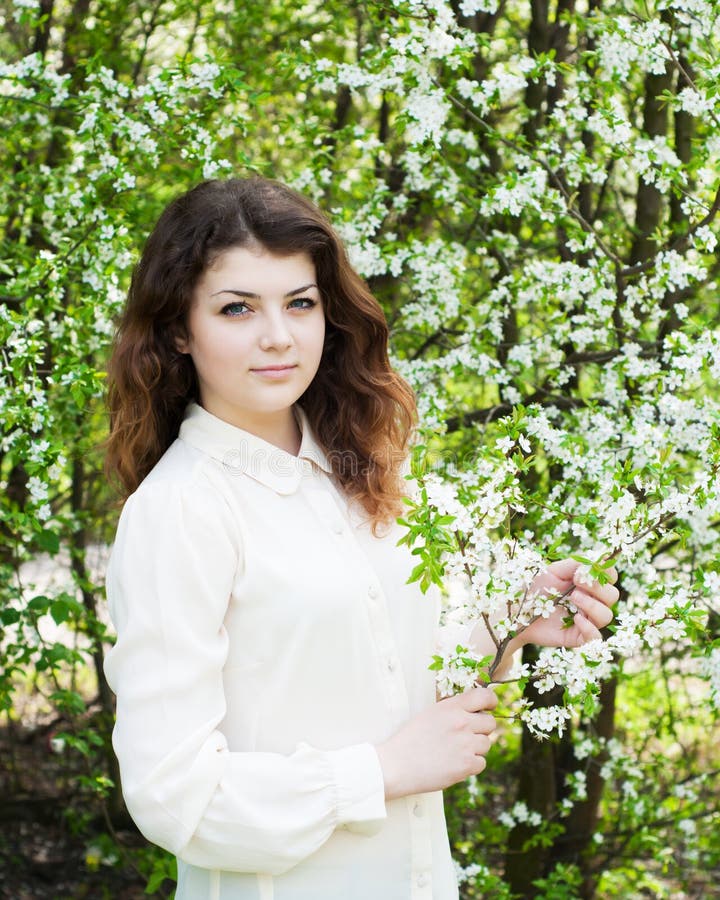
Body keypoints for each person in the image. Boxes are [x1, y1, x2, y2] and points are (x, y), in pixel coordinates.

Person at [103, 176, 619, 900]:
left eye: (300, 303)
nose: (277, 335)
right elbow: (171, 793)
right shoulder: (181, 511)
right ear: (180, 329)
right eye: (237, 308)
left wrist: (511, 616)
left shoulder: (360, 469)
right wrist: (376, 774)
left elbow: (374, 672)